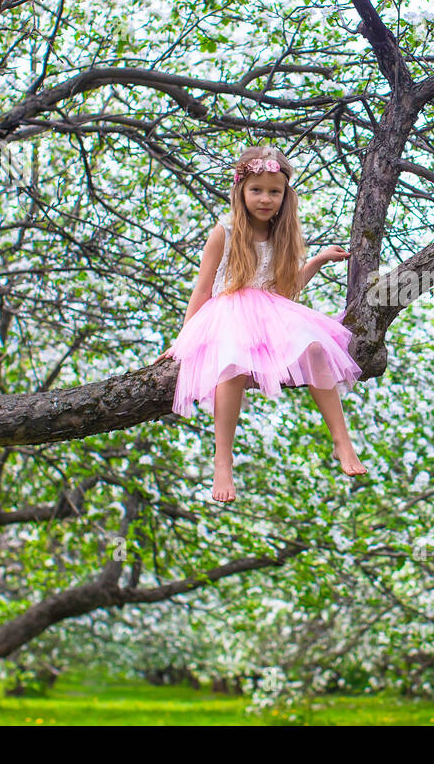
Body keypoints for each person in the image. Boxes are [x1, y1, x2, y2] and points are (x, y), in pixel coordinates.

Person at [154, 144, 367, 503]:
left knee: (315, 348)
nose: (265, 199)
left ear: (286, 196)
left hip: (270, 312)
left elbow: (285, 290)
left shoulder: (282, 235)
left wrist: (315, 261)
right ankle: (223, 461)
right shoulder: (225, 231)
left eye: (274, 191)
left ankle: (341, 441)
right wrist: (183, 341)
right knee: (231, 367)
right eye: (256, 190)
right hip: (225, 315)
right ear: (241, 190)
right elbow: (202, 289)